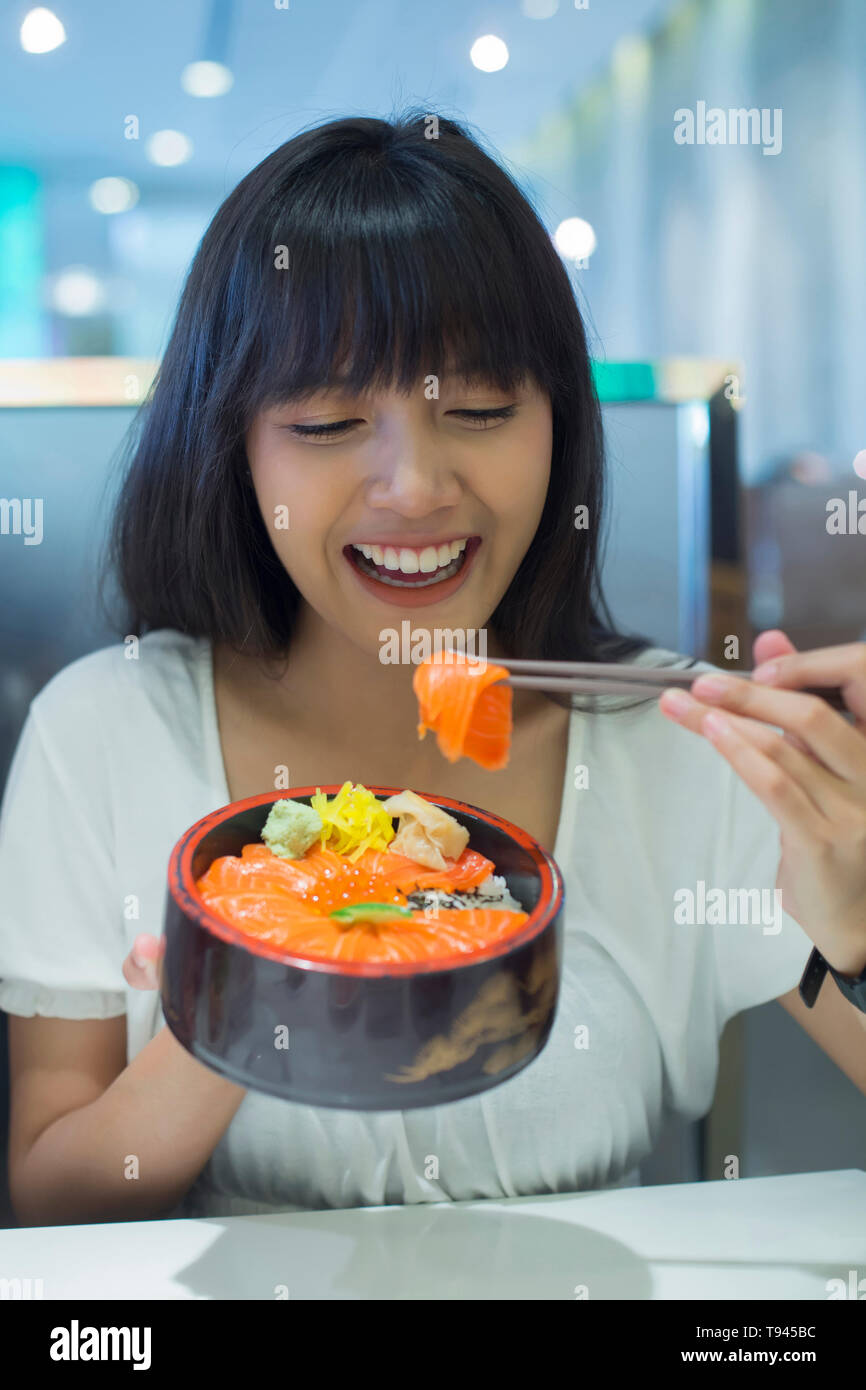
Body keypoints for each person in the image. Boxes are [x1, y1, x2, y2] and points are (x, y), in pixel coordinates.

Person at [2, 112, 864, 1228]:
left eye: (478, 408)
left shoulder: (678, 737)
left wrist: (855, 923)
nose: (412, 486)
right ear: (232, 445)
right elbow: (50, 1207)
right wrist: (239, 999)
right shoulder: (106, 730)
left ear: (558, 425)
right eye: (324, 419)